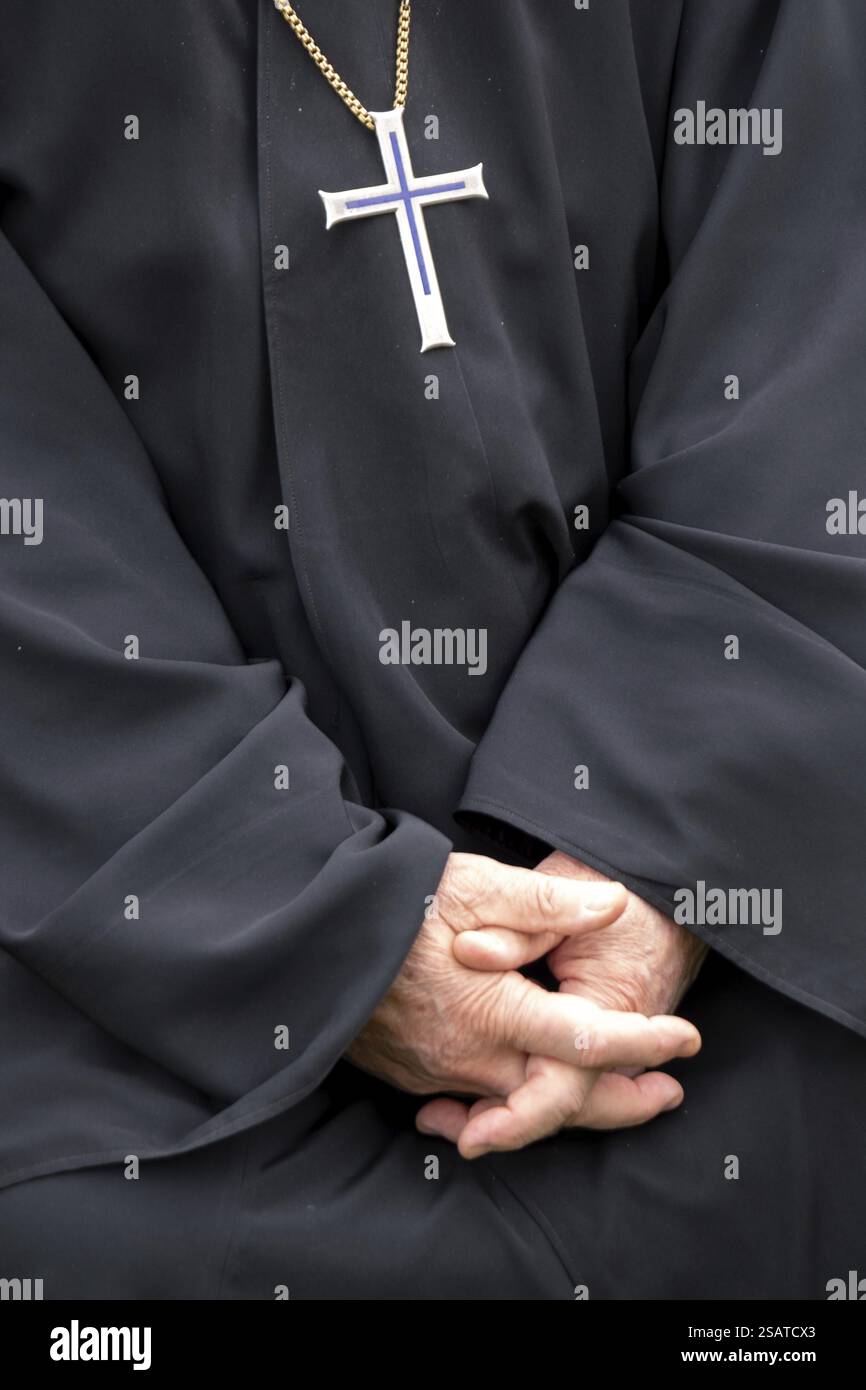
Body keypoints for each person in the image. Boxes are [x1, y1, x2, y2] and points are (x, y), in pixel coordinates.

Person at [0, 0, 864, 1300]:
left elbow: (814, 293)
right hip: (120, 1006)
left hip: (728, 922)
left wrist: (657, 837)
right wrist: (310, 917)